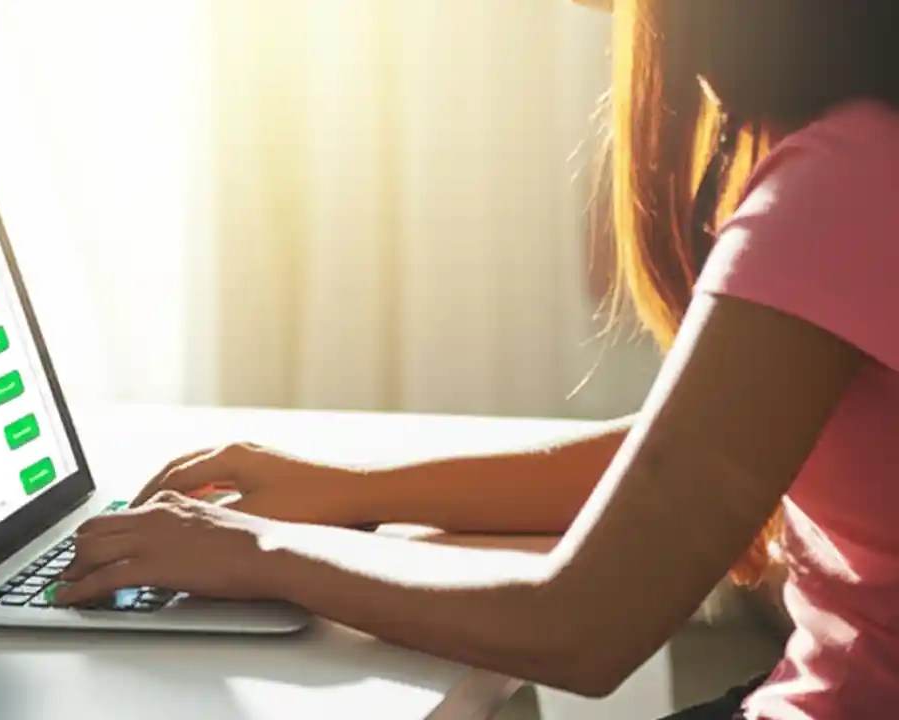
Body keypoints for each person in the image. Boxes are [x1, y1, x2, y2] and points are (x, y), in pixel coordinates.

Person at [57, 1, 899, 717]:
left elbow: (583, 624)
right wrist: (352, 490)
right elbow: (694, 460)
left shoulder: (833, 185)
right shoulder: (854, 142)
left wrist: (258, 554)